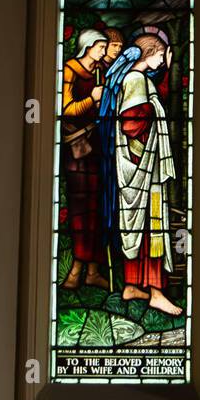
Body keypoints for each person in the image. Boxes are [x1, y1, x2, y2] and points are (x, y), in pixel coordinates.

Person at [99, 29, 182, 316]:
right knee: (151, 230)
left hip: (138, 166)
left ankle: (133, 285)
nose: (162, 61)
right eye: (161, 55)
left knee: (140, 229)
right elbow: (131, 124)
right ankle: (156, 293)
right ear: (150, 53)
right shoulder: (136, 80)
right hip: (141, 168)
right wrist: (144, 150)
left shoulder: (134, 79)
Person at [60, 28, 109, 290]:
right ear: (87, 46)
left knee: (97, 208)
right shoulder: (70, 70)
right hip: (77, 151)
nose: (103, 50)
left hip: (96, 147)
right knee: (81, 210)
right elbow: (65, 109)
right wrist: (92, 98)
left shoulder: (98, 73)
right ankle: (76, 269)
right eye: (100, 46)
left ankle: (92, 271)